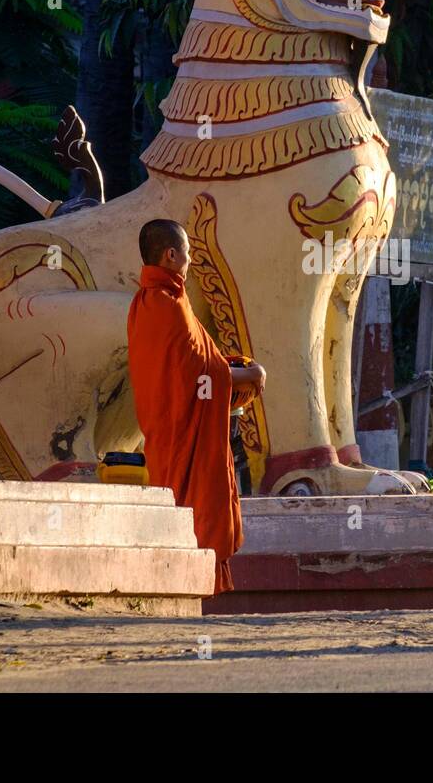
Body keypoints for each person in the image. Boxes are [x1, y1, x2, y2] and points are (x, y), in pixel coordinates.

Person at [126, 219, 266, 595]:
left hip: (170, 429)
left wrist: (231, 368)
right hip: (179, 432)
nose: (190, 261)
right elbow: (198, 376)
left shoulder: (146, 303)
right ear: (171, 255)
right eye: (187, 253)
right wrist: (249, 374)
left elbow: (202, 363)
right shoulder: (165, 305)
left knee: (183, 508)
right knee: (195, 511)